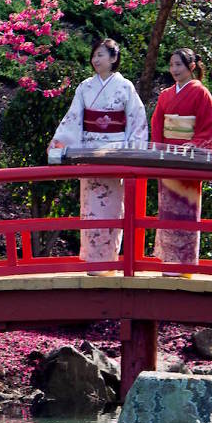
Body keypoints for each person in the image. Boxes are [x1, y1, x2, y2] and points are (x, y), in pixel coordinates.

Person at [49, 39, 148, 264]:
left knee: (112, 206)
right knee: (91, 206)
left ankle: (109, 259)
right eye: (94, 55)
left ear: (114, 58)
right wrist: (60, 144)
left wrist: (135, 151)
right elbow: (73, 118)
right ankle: (92, 258)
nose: (96, 60)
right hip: (89, 150)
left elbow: (136, 119)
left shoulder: (125, 87)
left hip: (116, 152)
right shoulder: (85, 87)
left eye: (101, 55)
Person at [150, 48, 212, 268]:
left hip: (188, 157)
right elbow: (157, 124)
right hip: (168, 155)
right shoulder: (165, 94)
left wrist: (195, 144)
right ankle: (168, 259)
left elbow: (207, 127)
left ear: (191, 67)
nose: (174, 70)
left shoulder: (201, 93)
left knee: (186, 211)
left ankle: (185, 263)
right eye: (171, 65)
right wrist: (158, 148)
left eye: (179, 65)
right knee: (167, 208)